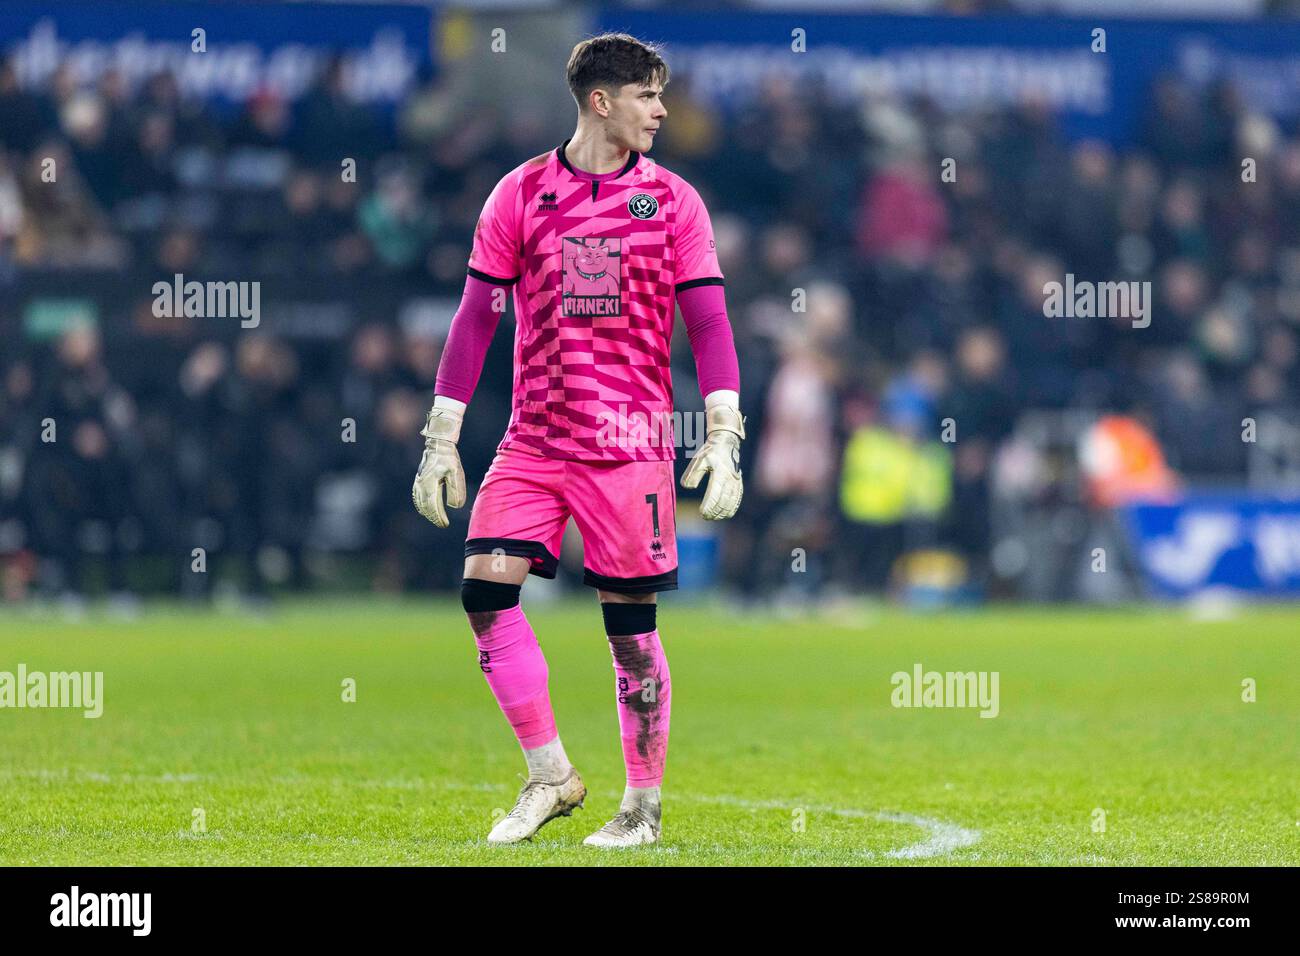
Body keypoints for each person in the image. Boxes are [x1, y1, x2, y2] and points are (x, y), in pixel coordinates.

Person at [411, 34, 744, 848]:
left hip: (631, 444)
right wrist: (441, 436)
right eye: (646, 96)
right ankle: (551, 775)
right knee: (484, 593)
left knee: (630, 635)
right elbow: (475, 319)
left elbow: (706, 319)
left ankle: (642, 806)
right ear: (602, 101)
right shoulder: (520, 194)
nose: (662, 111)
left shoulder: (673, 203)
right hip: (534, 440)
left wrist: (726, 429)